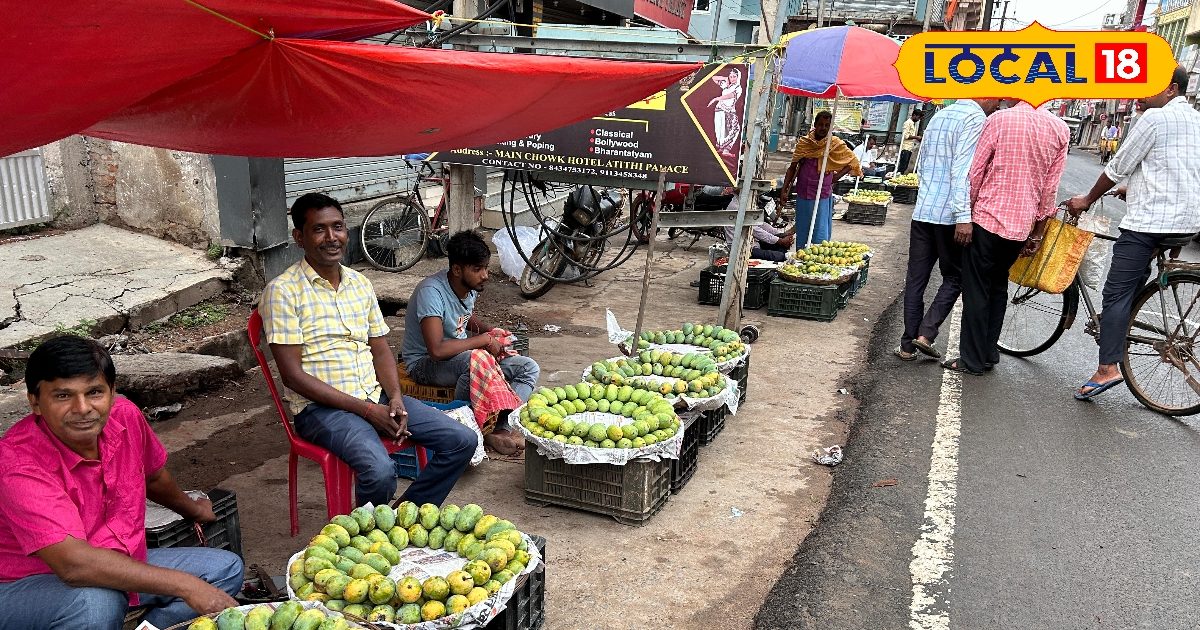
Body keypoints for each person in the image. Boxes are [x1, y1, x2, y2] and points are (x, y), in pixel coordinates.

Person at [0, 336, 244, 629]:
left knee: (223, 570)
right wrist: (186, 586)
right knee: (96, 602)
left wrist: (193, 510)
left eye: (94, 392)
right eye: (63, 396)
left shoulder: (125, 417)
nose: (82, 408)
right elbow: (73, 565)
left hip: (112, 558)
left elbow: (154, 477)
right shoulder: (17, 463)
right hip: (24, 585)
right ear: (35, 402)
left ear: (112, 392)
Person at [261, 192, 475, 507]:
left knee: (462, 440)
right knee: (379, 472)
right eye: (319, 229)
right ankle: (365, 541)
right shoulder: (282, 292)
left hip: (376, 395)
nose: (331, 237)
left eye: (338, 227)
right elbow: (292, 376)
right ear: (299, 237)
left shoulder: (359, 284)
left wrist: (397, 398)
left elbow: (380, 350)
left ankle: (402, 517)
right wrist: (366, 411)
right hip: (322, 410)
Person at [1065, 65, 1200, 400]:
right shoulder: (1195, 119)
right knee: (1132, 285)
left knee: (1114, 294)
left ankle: (1107, 367)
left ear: (1170, 89)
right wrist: (1134, 189)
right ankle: (1122, 324)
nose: (1141, 94)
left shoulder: (1153, 120)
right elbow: (1175, 168)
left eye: (1148, 87)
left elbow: (1117, 166)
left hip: (1152, 224)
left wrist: (1086, 199)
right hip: (1187, 221)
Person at [941, 101, 1070, 375]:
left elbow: (975, 173)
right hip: (1021, 224)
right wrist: (1037, 231)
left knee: (976, 289)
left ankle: (972, 359)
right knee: (998, 285)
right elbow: (1050, 189)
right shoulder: (1060, 129)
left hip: (988, 216)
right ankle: (988, 353)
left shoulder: (999, 119)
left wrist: (965, 215)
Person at [402, 230, 540, 456]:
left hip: (459, 357)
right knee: (474, 360)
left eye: (485, 267)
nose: (485, 275)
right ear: (457, 270)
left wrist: (490, 332)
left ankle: (500, 429)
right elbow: (436, 350)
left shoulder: (469, 287)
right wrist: (484, 341)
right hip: (424, 365)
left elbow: (463, 318)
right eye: (477, 269)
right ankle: (468, 432)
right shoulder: (431, 292)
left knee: (527, 367)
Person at [896, 98, 1003, 362]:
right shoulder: (976, 119)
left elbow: (922, 166)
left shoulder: (939, 116)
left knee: (916, 279)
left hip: (923, 210)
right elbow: (962, 171)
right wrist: (963, 217)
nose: (999, 104)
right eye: (998, 98)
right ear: (986, 95)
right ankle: (925, 334)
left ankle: (907, 345)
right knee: (956, 276)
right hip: (948, 215)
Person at [779, 110, 862, 248]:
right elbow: (793, 168)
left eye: (827, 125)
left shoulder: (834, 144)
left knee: (820, 231)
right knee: (803, 228)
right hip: (803, 194)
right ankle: (802, 257)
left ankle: (817, 261)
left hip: (822, 194)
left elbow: (853, 162)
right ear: (815, 125)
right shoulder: (804, 143)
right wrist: (784, 190)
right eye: (821, 124)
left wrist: (835, 178)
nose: (823, 128)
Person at [717, 187, 795, 262]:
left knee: (781, 247)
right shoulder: (736, 207)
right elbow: (755, 230)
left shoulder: (745, 202)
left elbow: (760, 223)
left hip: (753, 242)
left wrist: (780, 234)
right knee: (780, 256)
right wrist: (779, 240)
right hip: (741, 248)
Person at [708, 68, 743, 158]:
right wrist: (725, 78)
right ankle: (723, 149)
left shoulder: (738, 88)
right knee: (721, 130)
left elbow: (730, 96)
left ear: (738, 77)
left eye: (734, 76)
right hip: (720, 109)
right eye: (731, 77)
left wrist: (716, 98)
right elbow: (713, 78)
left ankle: (725, 149)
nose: (732, 78)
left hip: (729, 111)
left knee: (734, 129)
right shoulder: (726, 86)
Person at [899, 109, 923, 173]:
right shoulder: (907, 123)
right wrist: (916, 137)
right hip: (905, 148)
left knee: (905, 166)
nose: (918, 119)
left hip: (910, 148)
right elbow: (906, 136)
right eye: (918, 117)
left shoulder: (913, 124)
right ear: (914, 115)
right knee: (902, 166)